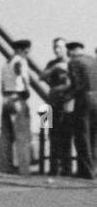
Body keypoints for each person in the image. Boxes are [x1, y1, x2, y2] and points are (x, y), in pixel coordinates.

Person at [0, 39, 33, 175]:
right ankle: (24, 169)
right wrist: (27, 92)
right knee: (22, 134)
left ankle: (5, 166)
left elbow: (2, 85)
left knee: (6, 135)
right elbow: (23, 78)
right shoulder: (21, 61)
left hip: (6, 99)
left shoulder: (5, 63)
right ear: (24, 49)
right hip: (17, 98)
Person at [42, 37, 74, 176]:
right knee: (51, 134)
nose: (57, 50)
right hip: (51, 103)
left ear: (65, 48)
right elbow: (42, 76)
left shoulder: (72, 62)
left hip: (66, 103)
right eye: (55, 47)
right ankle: (53, 167)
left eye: (60, 47)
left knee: (66, 135)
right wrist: (55, 68)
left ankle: (66, 168)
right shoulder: (52, 63)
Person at [65, 42, 96, 180]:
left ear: (71, 51)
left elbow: (77, 85)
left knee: (82, 136)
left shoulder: (74, 62)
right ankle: (94, 168)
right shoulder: (93, 60)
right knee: (94, 136)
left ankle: (86, 172)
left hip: (84, 100)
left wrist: (66, 97)